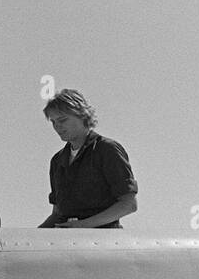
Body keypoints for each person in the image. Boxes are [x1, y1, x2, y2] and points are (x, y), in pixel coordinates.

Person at [39, 89, 138, 228]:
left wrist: (82, 226)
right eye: (54, 122)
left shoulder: (107, 150)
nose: (57, 127)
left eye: (62, 120)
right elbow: (57, 213)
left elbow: (128, 204)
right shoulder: (58, 160)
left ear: (82, 116)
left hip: (104, 242)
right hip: (66, 241)